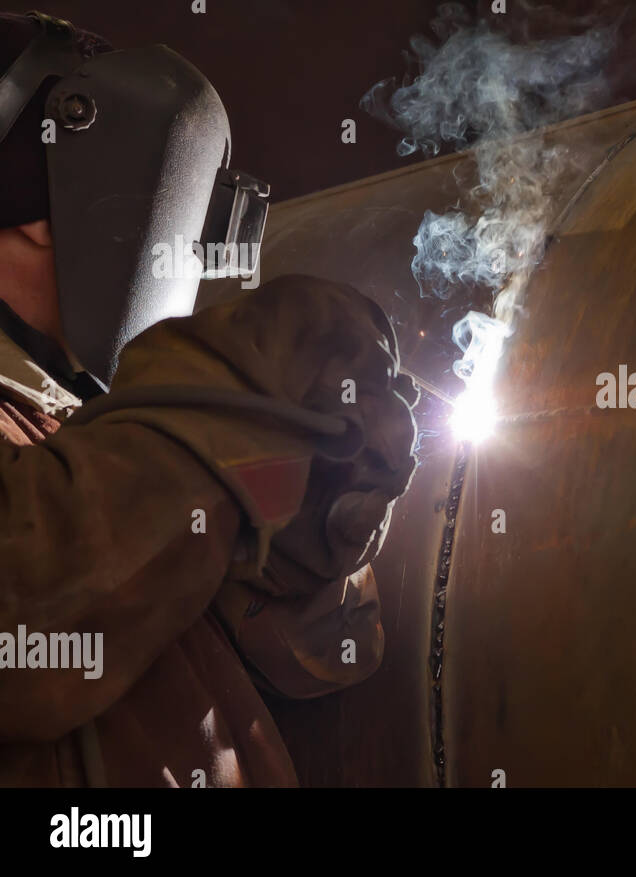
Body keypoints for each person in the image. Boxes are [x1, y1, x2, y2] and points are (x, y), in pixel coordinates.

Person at [0, 11, 418, 786]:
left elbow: (315, 667)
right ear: (38, 216)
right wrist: (234, 389)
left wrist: (309, 532)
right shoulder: (109, 449)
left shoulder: (90, 432)